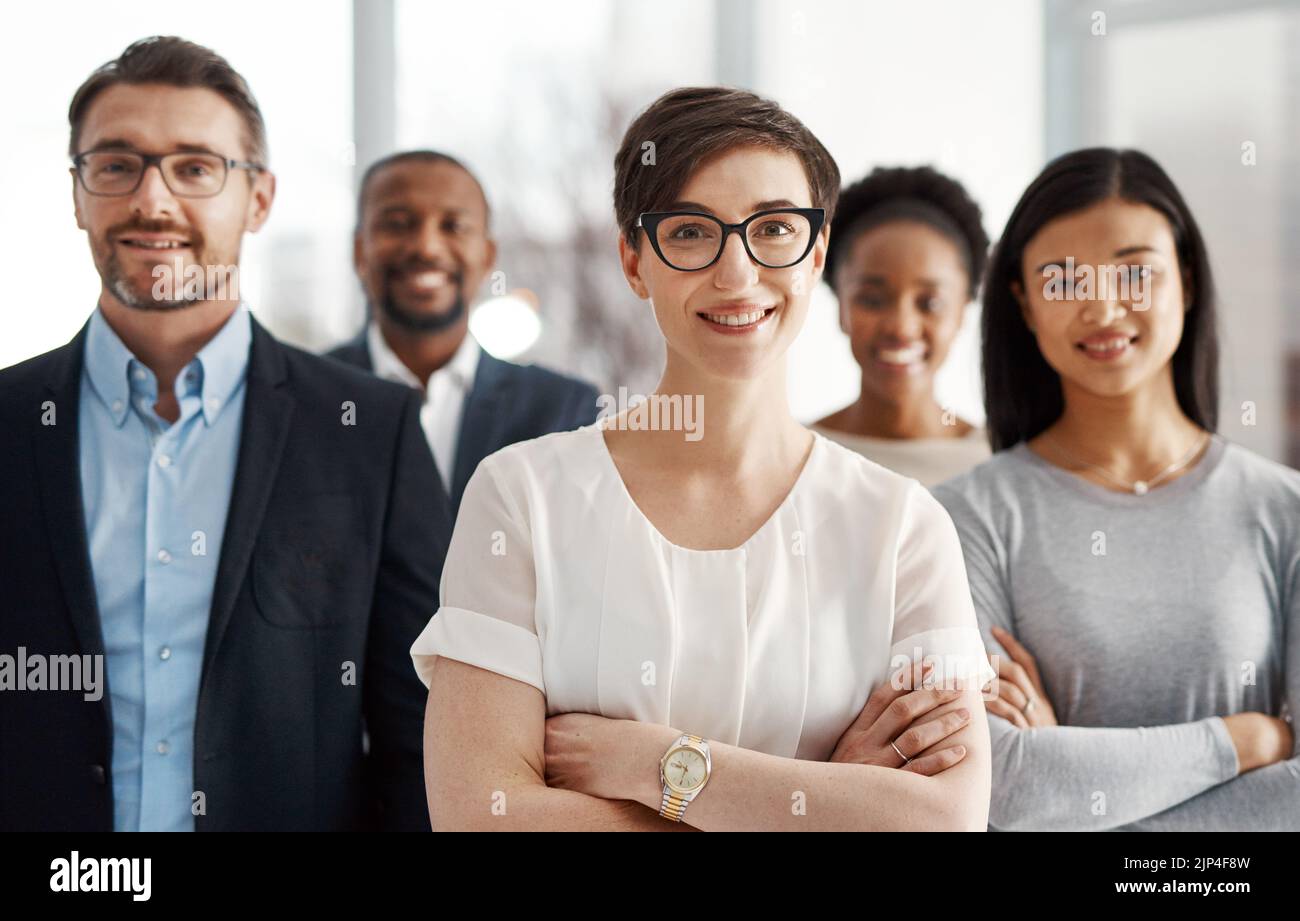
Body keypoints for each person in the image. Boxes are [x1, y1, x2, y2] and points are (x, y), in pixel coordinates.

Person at [414, 87, 994, 831]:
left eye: (775, 229)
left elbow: (944, 820)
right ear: (633, 259)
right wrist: (818, 804)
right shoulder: (522, 497)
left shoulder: (903, 526)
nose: (737, 273)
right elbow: (480, 816)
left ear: (816, 253)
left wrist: (656, 765)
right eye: (691, 233)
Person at [0, 36, 451, 831]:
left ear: (260, 197)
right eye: (116, 164)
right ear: (77, 194)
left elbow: (424, 735)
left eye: (195, 167)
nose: (154, 200)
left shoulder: (369, 434)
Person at [933, 147, 1300, 830]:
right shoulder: (963, 518)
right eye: (1063, 279)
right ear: (1023, 302)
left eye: (1135, 270)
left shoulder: (1286, 513)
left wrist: (1070, 778)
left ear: (1185, 281)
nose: (1102, 306)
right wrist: (1251, 740)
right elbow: (1003, 785)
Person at [328, 150, 600, 515]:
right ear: (360, 251)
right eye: (397, 224)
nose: (426, 247)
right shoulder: (303, 398)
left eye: (453, 226)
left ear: (487, 256)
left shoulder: (564, 411)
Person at [813, 166, 990, 486]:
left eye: (930, 303)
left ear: (963, 310)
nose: (901, 328)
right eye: (872, 300)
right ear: (841, 305)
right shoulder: (793, 459)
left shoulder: (996, 466)